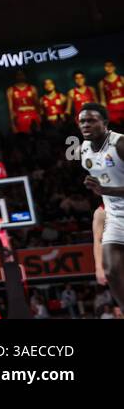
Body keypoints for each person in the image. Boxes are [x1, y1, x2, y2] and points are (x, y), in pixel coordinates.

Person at [79, 102, 124, 305]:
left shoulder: (120, 145)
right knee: (111, 270)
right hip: (115, 216)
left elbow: (105, 186)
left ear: (105, 123)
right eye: (82, 121)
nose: (85, 125)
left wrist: (104, 190)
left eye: (91, 120)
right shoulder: (84, 150)